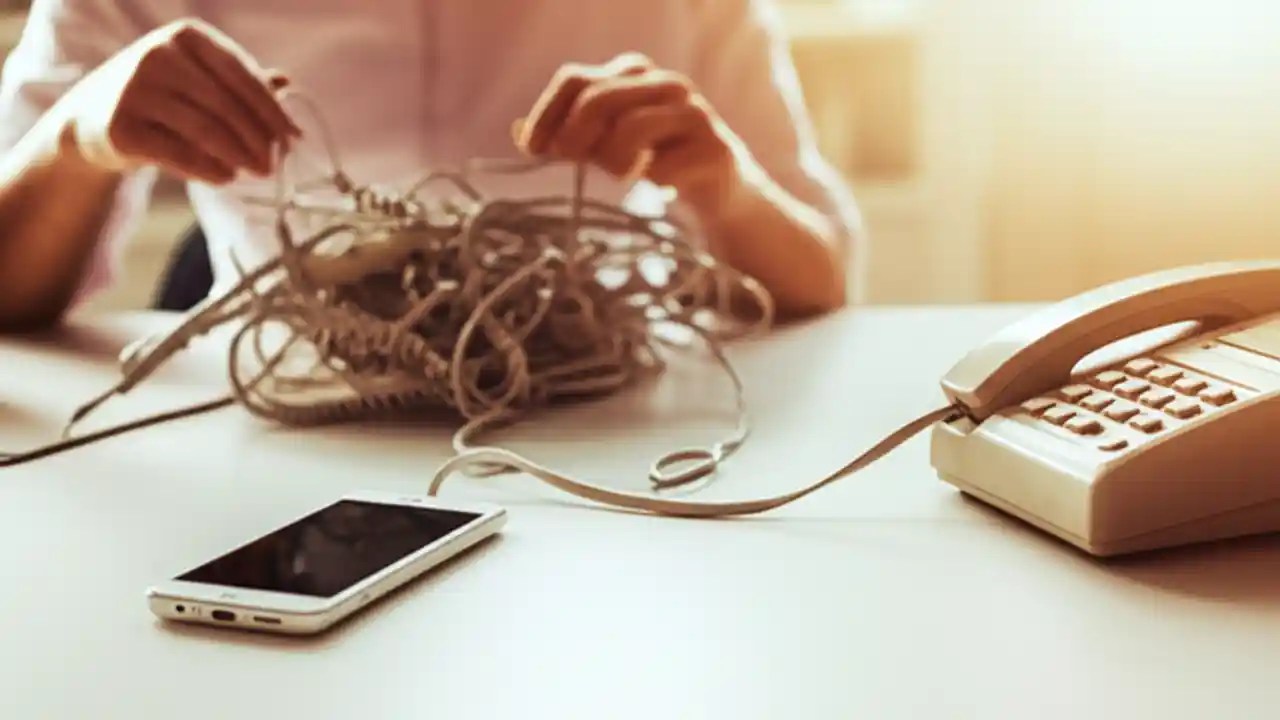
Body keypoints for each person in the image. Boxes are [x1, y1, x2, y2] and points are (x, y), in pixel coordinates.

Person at [0, 0, 863, 332]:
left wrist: (726, 188)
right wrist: (75, 137)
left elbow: (821, 277)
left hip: (611, 432)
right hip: (275, 425)